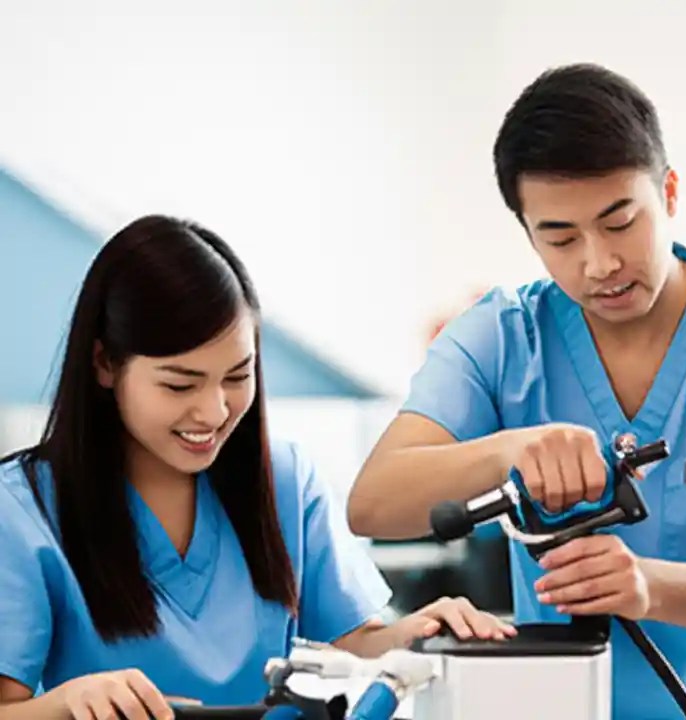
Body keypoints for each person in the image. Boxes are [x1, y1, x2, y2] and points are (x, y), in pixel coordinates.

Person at [347, 64, 686, 718]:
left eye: (620, 222)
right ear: (528, 232)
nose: (599, 263)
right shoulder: (502, 339)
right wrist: (513, 452)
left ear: (668, 193)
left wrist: (649, 584)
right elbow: (373, 504)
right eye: (560, 237)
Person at [0, 216, 514, 718]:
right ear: (105, 364)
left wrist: (421, 633)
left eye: (237, 376)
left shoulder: (286, 482)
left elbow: (360, 644)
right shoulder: (22, 511)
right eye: (180, 385)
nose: (215, 412)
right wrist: (65, 705)